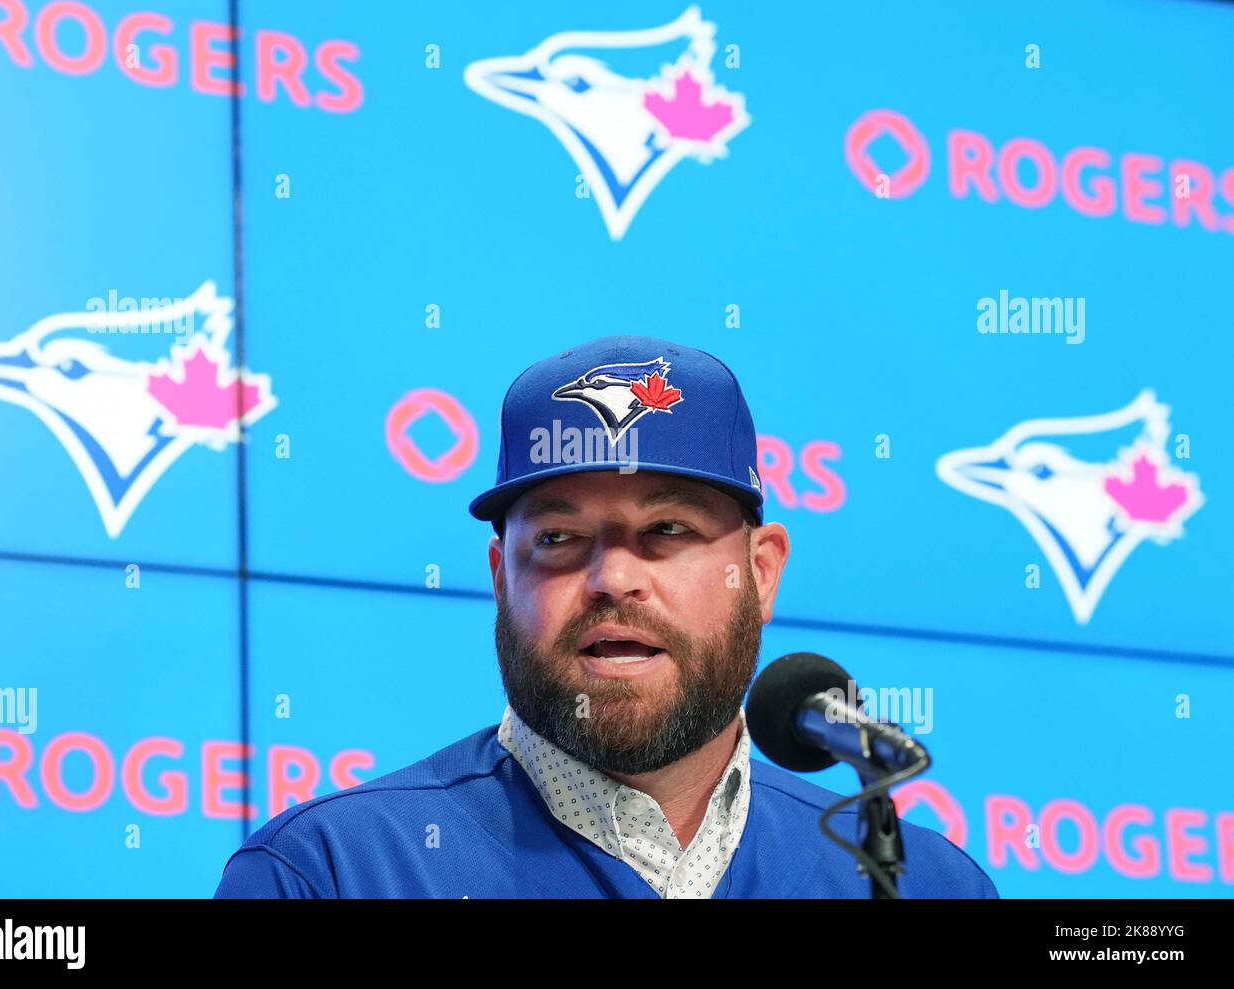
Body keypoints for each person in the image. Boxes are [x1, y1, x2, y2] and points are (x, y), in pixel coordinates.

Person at [214, 335, 999, 898]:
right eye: (558, 539)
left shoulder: (919, 882)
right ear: (500, 578)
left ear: (760, 573)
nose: (612, 577)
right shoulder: (333, 873)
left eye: (667, 531)